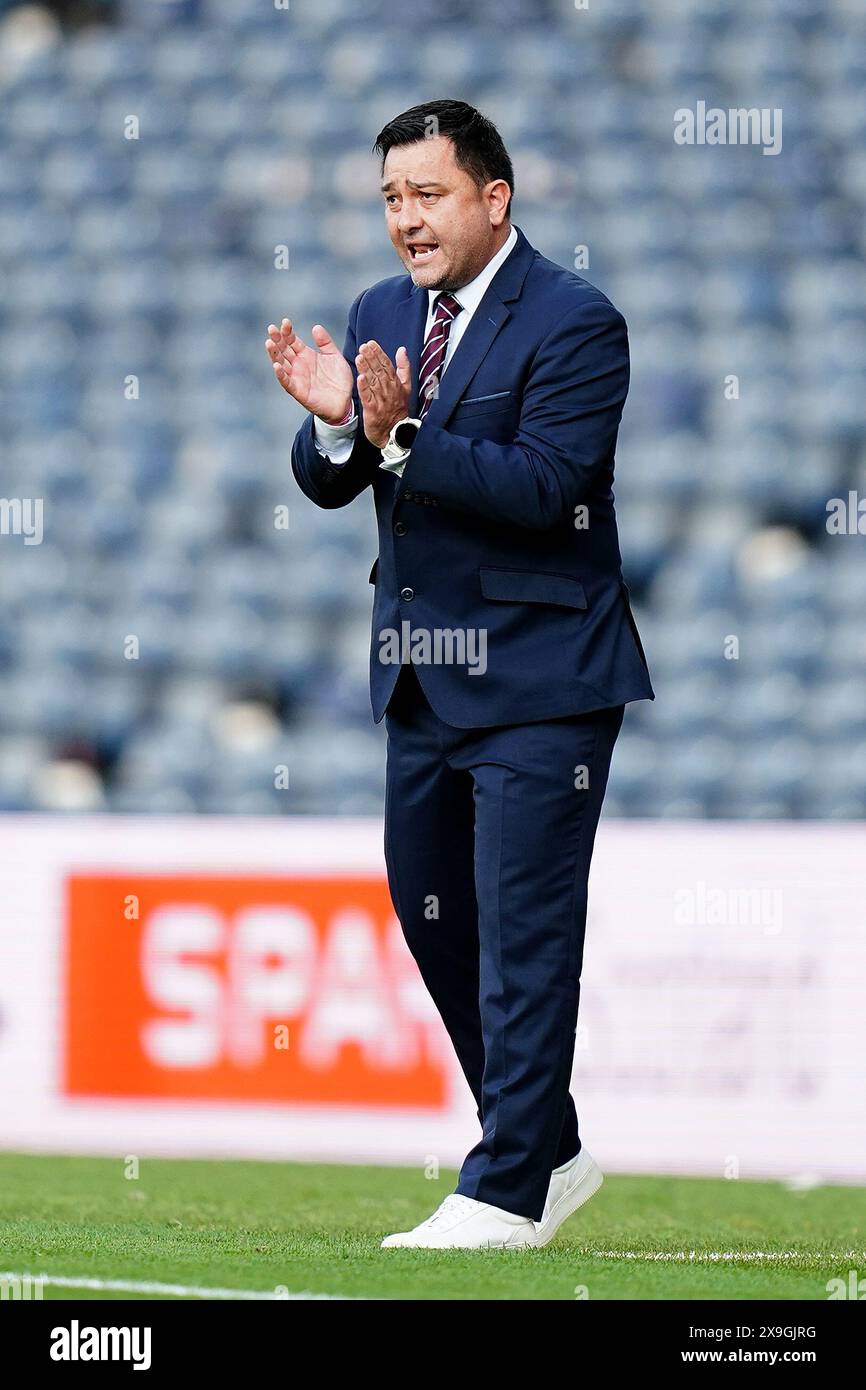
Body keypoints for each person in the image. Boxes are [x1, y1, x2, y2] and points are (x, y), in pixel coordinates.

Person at [266, 99, 654, 1250]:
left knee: (522, 931)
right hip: (420, 675)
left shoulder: (578, 321)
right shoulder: (381, 310)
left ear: (495, 197)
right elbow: (336, 477)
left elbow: (547, 488)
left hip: (543, 677)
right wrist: (339, 427)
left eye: (427, 195)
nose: (404, 220)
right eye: (390, 198)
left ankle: (504, 1189)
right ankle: (548, 1142)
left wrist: (395, 438)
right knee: (430, 913)